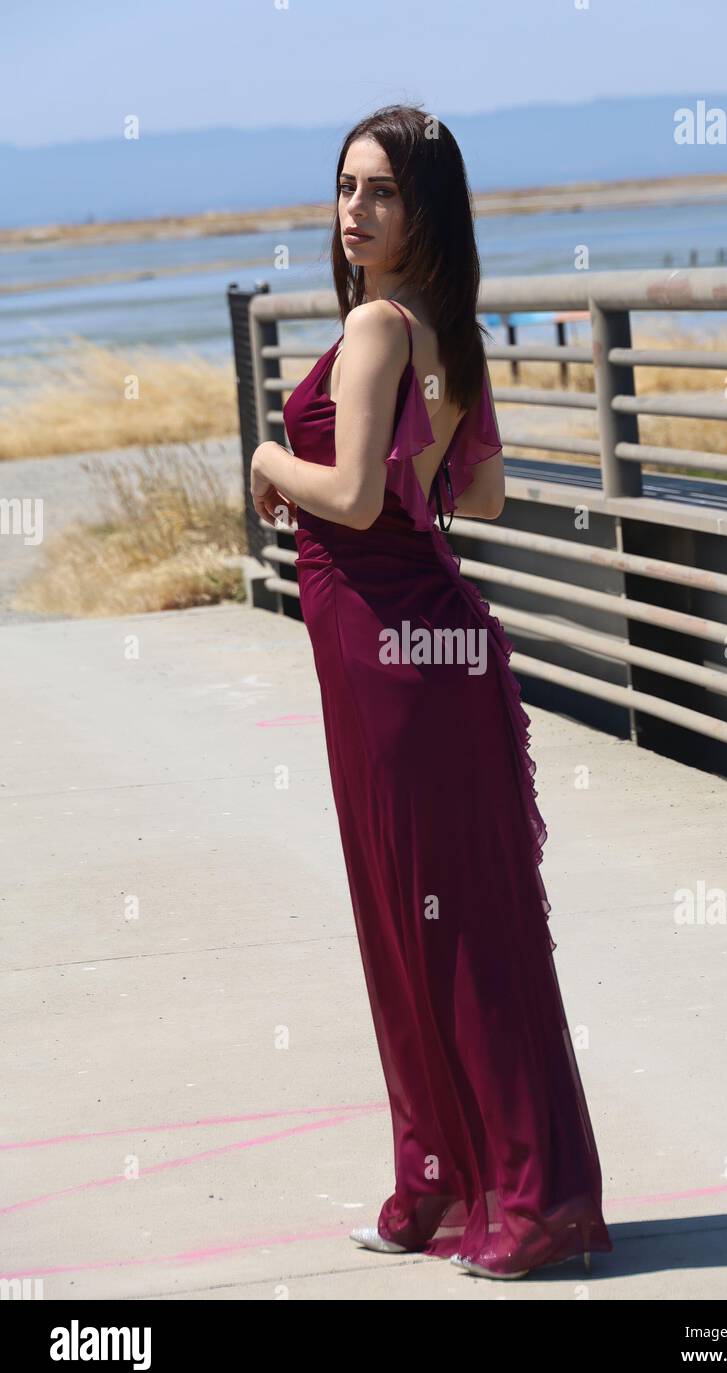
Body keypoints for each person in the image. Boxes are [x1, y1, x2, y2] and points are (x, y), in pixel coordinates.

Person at [250, 104, 613, 1280]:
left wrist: (265, 458)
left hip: (386, 653)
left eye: (381, 194)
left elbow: (352, 499)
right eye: (346, 188)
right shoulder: (443, 330)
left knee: (424, 929)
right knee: (450, 924)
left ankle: (508, 1193)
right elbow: (488, 494)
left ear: (424, 212)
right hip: (437, 649)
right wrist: (411, 465)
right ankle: (451, 1183)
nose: (353, 213)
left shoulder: (371, 331)